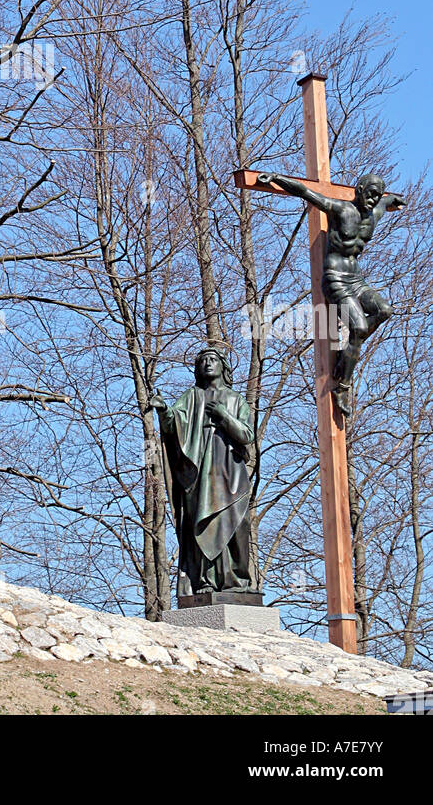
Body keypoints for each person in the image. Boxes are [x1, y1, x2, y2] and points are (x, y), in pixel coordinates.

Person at [257, 171, 405, 413]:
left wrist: (393, 199)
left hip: (357, 280)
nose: (373, 199)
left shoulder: (374, 212)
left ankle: (349, 350)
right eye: (371, 193)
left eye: (377, 196)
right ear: (359, 189)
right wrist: (275, 179)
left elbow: (387, 200)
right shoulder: (340, 210)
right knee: (358, 328)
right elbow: (305, 192)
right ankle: (343, 386)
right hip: (335, 279)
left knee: (385, 311)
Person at [149, 348, 256, 598]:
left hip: (230, 469)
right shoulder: (191, 397)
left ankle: (238, 582)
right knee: (204, 522)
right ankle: (205, 580)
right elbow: (173, 425)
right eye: (203, 361)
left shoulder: (235, 399)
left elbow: (246, 435)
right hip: (200, 471)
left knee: (239, 525)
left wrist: (223, 416)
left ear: (223, 366)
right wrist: (164, 410)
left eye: (213, 360)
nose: (208, 364)